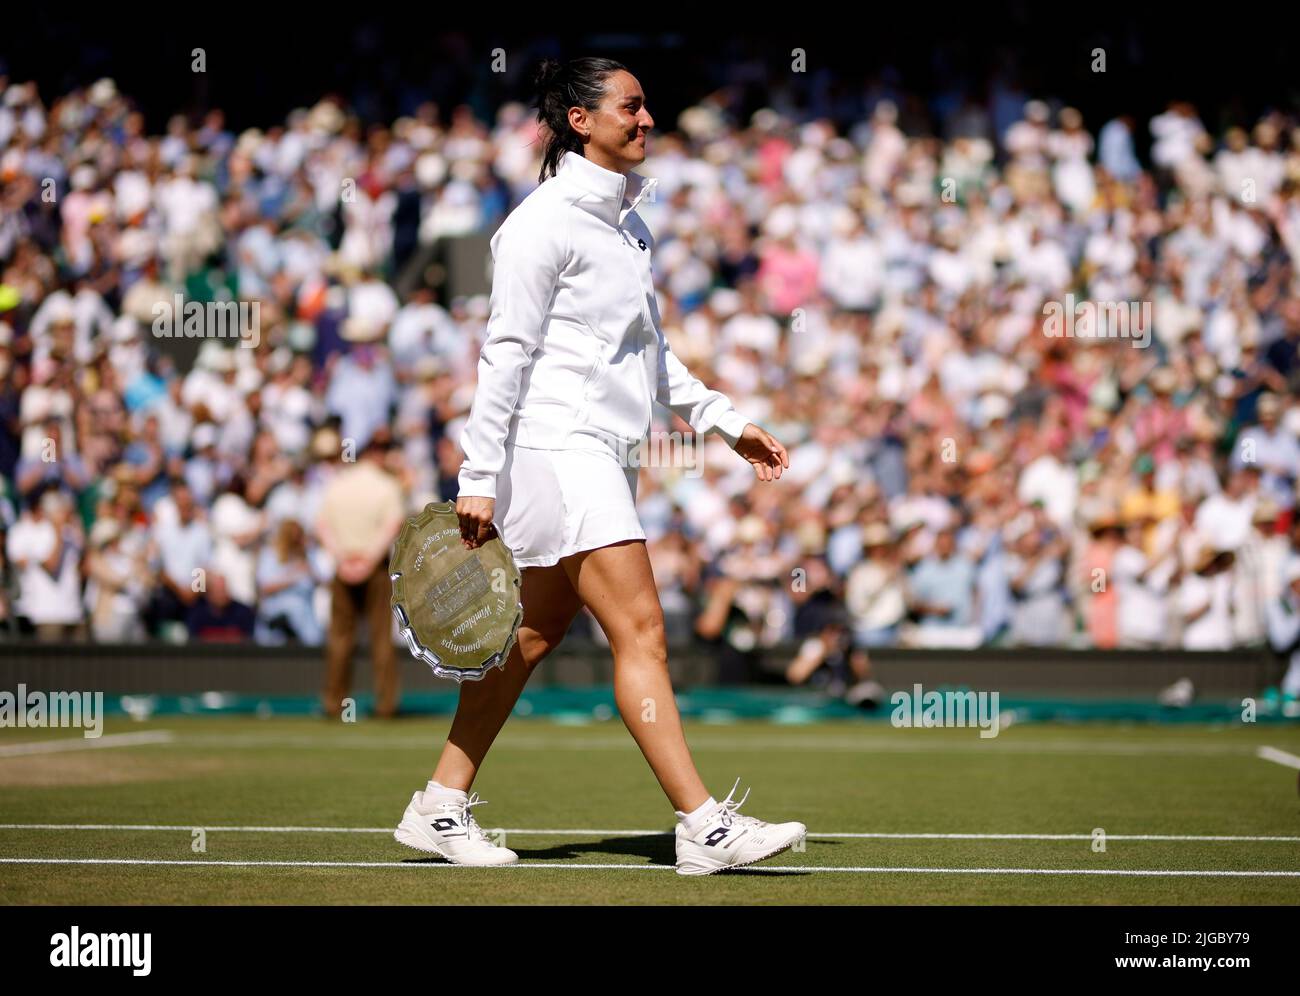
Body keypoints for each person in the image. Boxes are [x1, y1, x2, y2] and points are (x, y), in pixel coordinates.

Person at [393, 57, 805, 876]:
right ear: (580, 120)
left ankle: (437, 804)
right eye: (631, 106)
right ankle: (702, 826)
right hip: (558, 450)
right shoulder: (540, 223)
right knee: (642, 631)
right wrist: (478, 475)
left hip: (606, 456)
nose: (647, 119)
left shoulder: (628, 226)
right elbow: (504, 352)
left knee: (530, 635)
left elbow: (648, 355)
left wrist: (725, 422)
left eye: (647, 107)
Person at [316, 434, 406, 719]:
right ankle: (386, 705)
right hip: (374, 568)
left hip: (344, 566)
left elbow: (321, 525)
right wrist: (368, 560)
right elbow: (393, 525)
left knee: (340, 638)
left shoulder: (338, 484)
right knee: (381, 639)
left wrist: (342, 559)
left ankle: (333, 703)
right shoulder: (387, 485)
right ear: (378, 455)